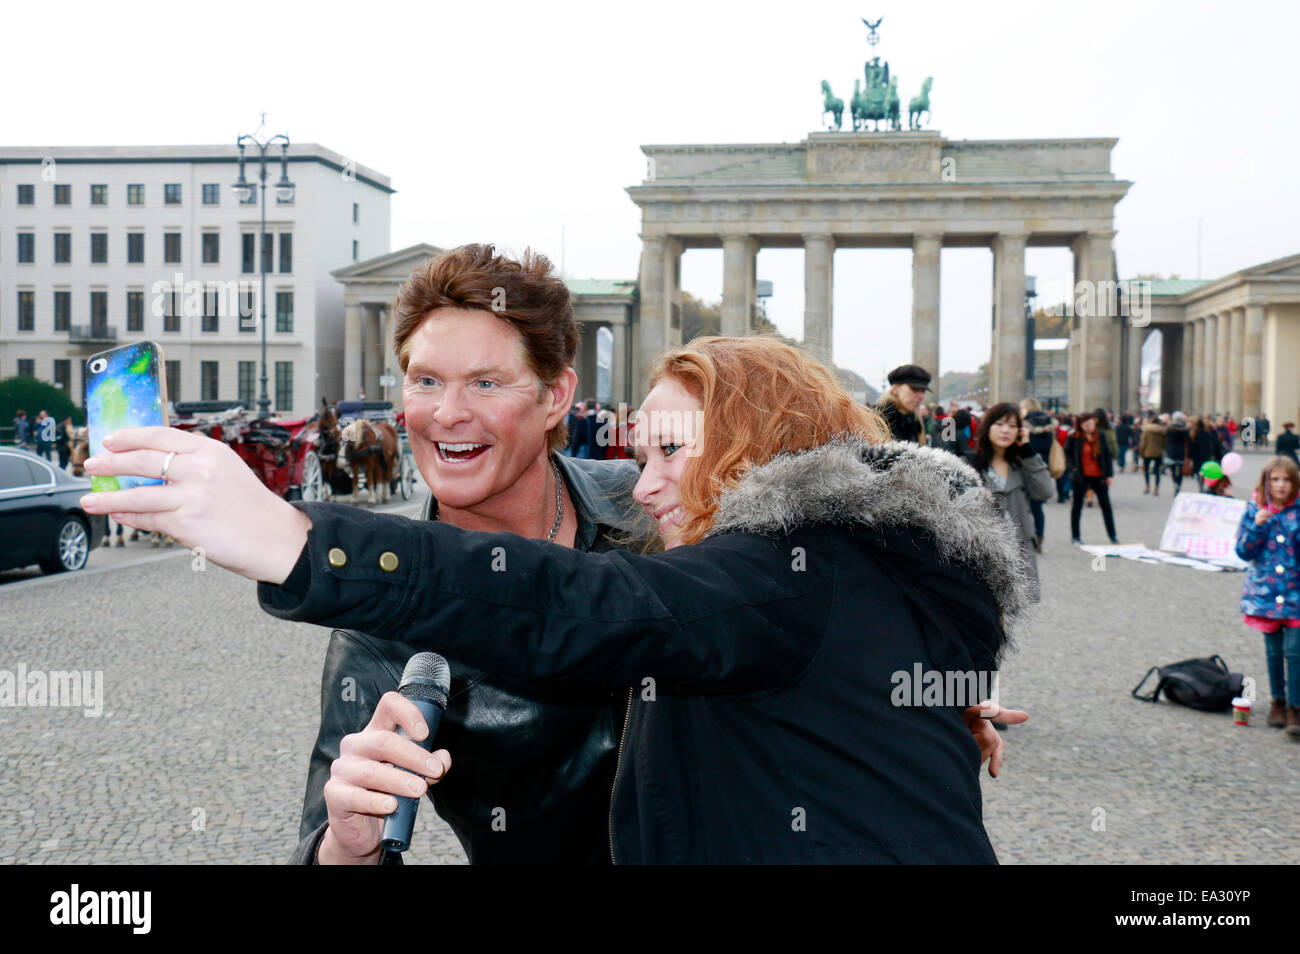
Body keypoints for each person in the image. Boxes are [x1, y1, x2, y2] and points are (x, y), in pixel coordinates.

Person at [82, 335, 1032, 865]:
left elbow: (588, 606)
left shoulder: (779, 570)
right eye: (421, 382)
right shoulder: (866, 564)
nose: (645, 483)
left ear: (750, 447)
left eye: (670, 450)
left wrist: (294, 540)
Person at [1235, 457, 1300, 735]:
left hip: (1296, 593)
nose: (1281, 485)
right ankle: (1278, 701)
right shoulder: (1255, 510)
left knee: (1294, 652)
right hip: (1266, 593)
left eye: (1286, 480)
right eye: (1275, 480)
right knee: (1273, 651)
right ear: (1266, 482)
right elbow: (1243, 551)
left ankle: (1295, 708)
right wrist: (1257, 526)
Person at [973, 402, 1053, 568]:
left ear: (1019, 431)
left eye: (1012, 426)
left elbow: (1045, 492)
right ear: (987, 427)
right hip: (982, 553)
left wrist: (1028, 452)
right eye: (999, 424)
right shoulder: (970, 465)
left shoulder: (1022, 465)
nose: (1005, 431)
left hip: (1020, 551)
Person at [1066, 411, 1119, 545]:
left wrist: (1109, 475)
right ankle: (1076, 536)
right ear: (1081, 425)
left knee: (1106, 506)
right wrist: (1073, 469)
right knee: (1077, 506)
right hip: (1081, 476)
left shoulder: (1100, 435)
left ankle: (1112, 535)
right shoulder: (1074, 437)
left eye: (1091, 424)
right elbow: (1066, 454)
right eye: (1086, 424)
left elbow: (1106, 455)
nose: (1089, 427)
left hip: (1099, 475)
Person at [1020, 397, 1057, 548]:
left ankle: (1027, 534)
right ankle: (1040, 535)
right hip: (1043, 464)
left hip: (1026, 463)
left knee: (1023, 503)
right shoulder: (1050, 423)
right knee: (1038, 505)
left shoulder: (1024, 423)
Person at [874, 364, 929, 443]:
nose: (921, 396)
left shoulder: (916, 419)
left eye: (923, 390)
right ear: (895, 389)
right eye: (915, 389)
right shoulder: (878, 421)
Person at [1189, 415, 1222, 491]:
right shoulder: (1208, 434)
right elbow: (1213, 445)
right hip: (1206, 456)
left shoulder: (1193, 434)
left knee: (1199, 472)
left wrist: (1190, 457)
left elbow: (1191, 447)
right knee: (1205, 471)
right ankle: (1205, 484)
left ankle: (1200, 485)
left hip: (1197, 457)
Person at [1138, 412, 1166, 496]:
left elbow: (1143, 443)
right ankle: (1156, 489)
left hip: (1147, 452)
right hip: (1158, 453)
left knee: (1146, 470)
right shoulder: (1162, 431)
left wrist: (1141, 453)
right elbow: (1164, 443)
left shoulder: (1146, 430)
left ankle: (1147, 487)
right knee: (1157, 471)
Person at [1163, 411, 1190, 494]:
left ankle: (1175, 482)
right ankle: (1179, 484)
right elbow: (1188, 441)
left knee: (1172, 469)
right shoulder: (1186, 429)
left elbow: (1166, 438)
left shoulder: (1170, 428)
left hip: (1172, 451)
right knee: (1180, 470)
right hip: (1181, 451)